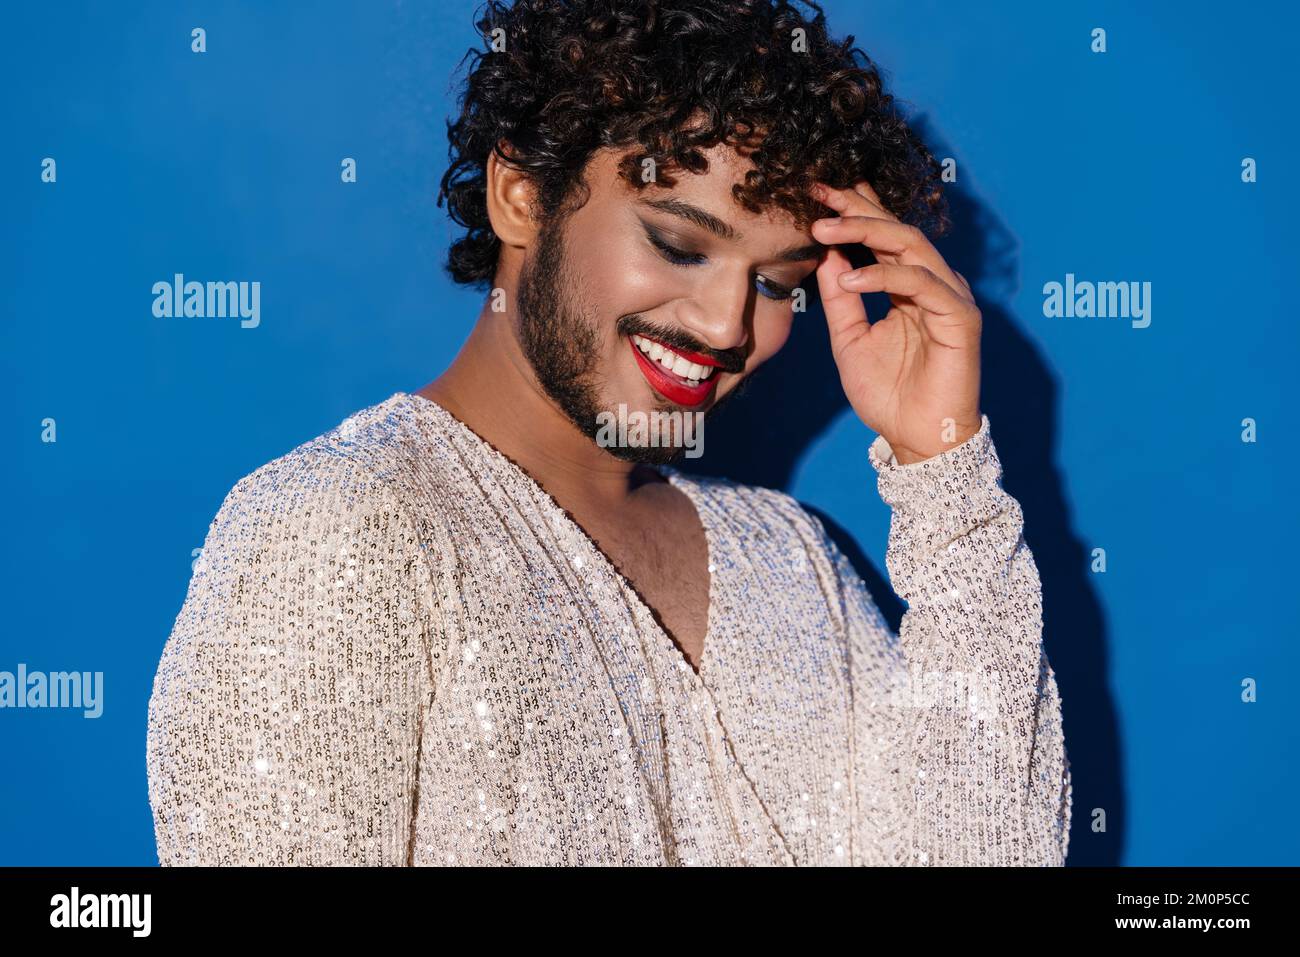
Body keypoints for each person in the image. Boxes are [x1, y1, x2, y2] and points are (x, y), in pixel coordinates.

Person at [146, 0, 1071, 866]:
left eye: (777, 282)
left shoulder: (792, 560)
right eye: (678, 243)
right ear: (522, 194)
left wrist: (941, 467)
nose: (724, 326)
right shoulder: (338, 528)